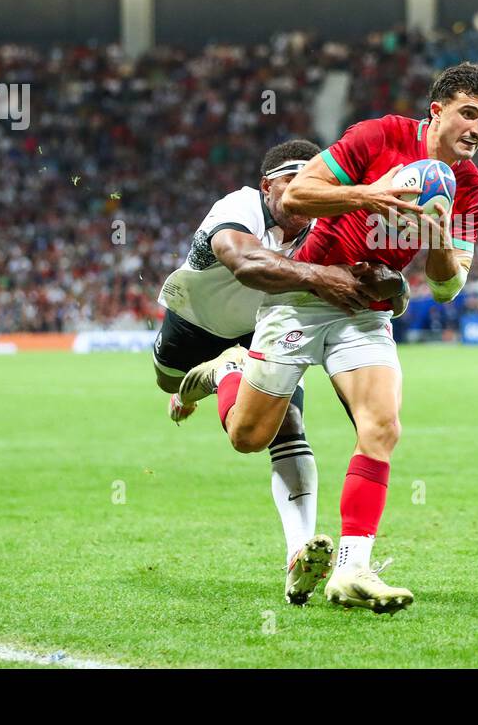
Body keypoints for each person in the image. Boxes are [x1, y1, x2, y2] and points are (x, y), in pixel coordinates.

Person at [182, 62, 478, 613]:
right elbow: (300, 196)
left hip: (366, 311)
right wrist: (371, 196)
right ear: (437, 111)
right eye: (468, 113)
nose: (477, 127)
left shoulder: (472, 189)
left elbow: (449, 287)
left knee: (382, 425)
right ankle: (231, 368)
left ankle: (353, 569)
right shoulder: (378, 136)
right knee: (248, 438)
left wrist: (439, 234)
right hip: (303, 298)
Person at [153, 138, 397, 604]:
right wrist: (323, 276)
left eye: (310, 183)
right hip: (196, 323)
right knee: (169, 382)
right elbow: (245, 262)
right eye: (290, 183)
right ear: (268, 186)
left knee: (284, 425)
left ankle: (297, 554)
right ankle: (214, 377)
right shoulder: (239, 204)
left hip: (266, 329)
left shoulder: (327, 223)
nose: (301, 194)